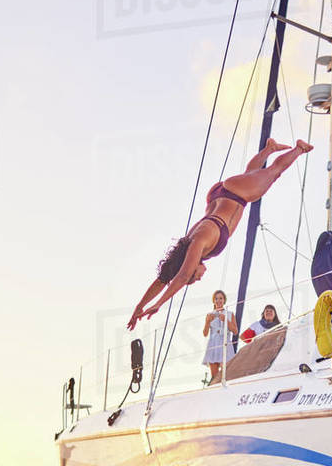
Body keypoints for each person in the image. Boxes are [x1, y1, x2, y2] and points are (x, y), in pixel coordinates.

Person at [127, 138, 314, 330]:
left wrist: (158, 304)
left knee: (273, 172)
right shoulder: (191, 244)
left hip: (236, 194)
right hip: (219, 195)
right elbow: (163, 280)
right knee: (251, 175)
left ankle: (299, 148)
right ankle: (269, 148)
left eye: (195, 277)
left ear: (192, 267)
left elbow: (181, 277)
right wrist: (139, 307)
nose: (199, 278)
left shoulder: (198, 242)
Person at [202, 290, 238, 385]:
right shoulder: (209, 314)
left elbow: (235, 331)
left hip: (225, 343)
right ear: (213, 301)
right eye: (216, 298)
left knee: (227, 372)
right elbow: (205, 333)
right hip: (213, 344)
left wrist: (226, 320)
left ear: (224, 300)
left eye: (220, 298)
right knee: (214, 376)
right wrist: (207, 322)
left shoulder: (230, 314)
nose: (218, 300)